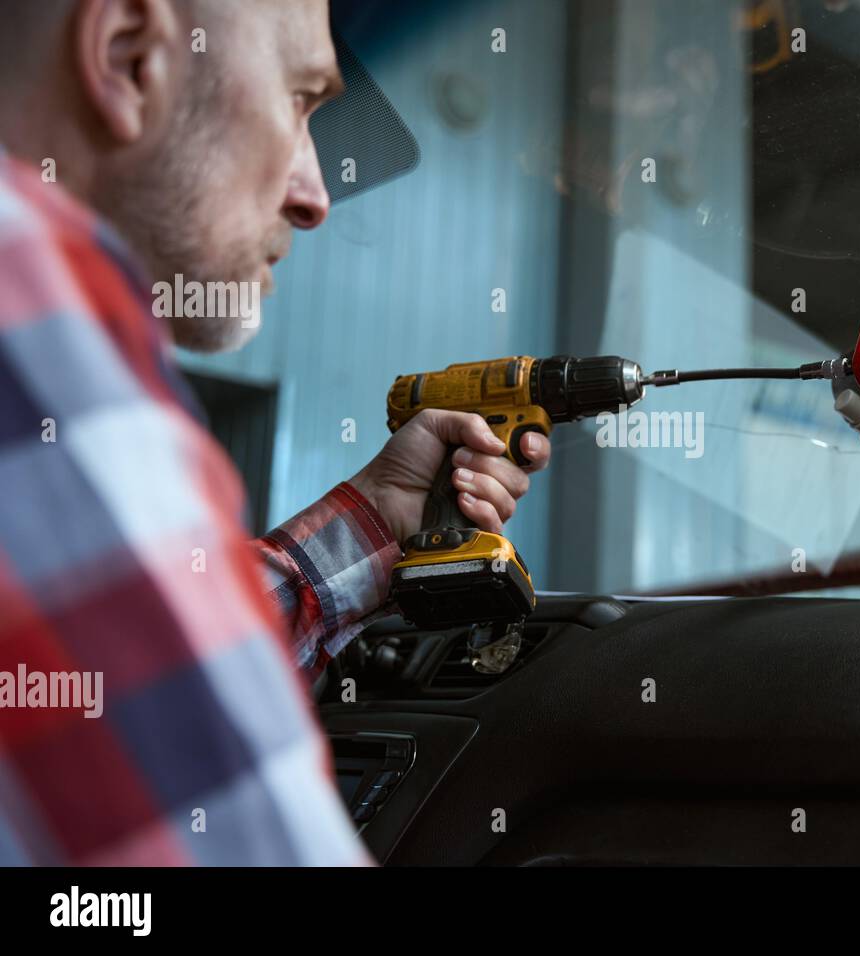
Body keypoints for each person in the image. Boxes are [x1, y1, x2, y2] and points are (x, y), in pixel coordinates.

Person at [0, 0, 550, 864]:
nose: (316, 196)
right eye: (300, 102)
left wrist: (373, 518)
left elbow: (130, 694)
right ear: (130, 56)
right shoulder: (25, 301)